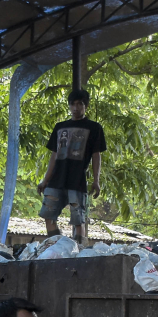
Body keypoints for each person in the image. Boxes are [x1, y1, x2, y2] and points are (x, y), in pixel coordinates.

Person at [38, 89, 105, 244]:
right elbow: (54, 155)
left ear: (86, 106)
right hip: (56, 179)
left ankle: (79, 250)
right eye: (73, 104)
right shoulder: (60, 127)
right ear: (69, 106)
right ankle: (57, 246)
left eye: (80, 104)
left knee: (78, 220)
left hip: (77, 181)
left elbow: (96, 155)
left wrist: (96, 181)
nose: (76, 108)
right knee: (48, 215)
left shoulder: (94, 128)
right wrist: (45, 180)